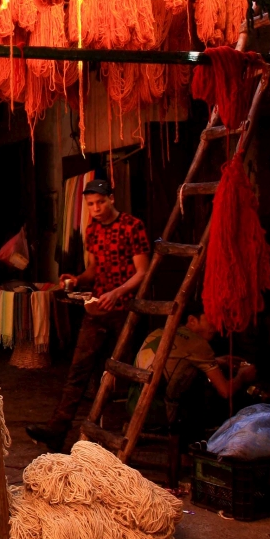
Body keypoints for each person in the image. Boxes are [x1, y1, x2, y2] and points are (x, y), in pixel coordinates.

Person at [26, 178, 150, 452]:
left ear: (111, 199)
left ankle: (133, 435)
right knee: (77, 371)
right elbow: (94, 270)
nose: (95, 208)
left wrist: (118, 292)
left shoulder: (133, 226)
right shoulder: (92, 231)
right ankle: (57, 431)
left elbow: (143, 271)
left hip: (126, 310)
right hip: (98, 308)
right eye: (91, 204)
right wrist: (76, 280)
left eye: (100, 202)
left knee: (126, 375)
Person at [131, 305, 256, 441]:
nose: (216, 325)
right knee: (204, 390)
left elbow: (177, 356)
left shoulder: (161, 331)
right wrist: (242, 376)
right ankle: (195, 450)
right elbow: (225, 391)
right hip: (157, 412)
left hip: (134, 405)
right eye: (211, 319)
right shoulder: (198, 343)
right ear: (192, 320)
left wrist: (216, 361)